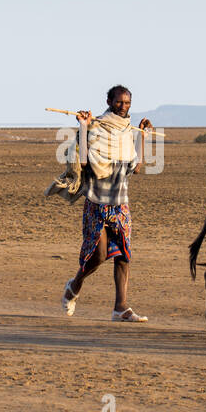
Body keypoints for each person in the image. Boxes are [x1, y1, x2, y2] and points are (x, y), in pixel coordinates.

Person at [62, 85, 154, 322]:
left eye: (127, 103)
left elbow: (137, 168)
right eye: (119, 102)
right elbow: (83, 162)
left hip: (120, 202)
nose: (123, 107)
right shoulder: (98, 126)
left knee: (124, 254)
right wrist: (83, 127)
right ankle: (74, 285)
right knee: (99, 255)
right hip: (97, 202)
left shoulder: (127, 130)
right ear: (109, 101)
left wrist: (142, 136)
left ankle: (121, 307)